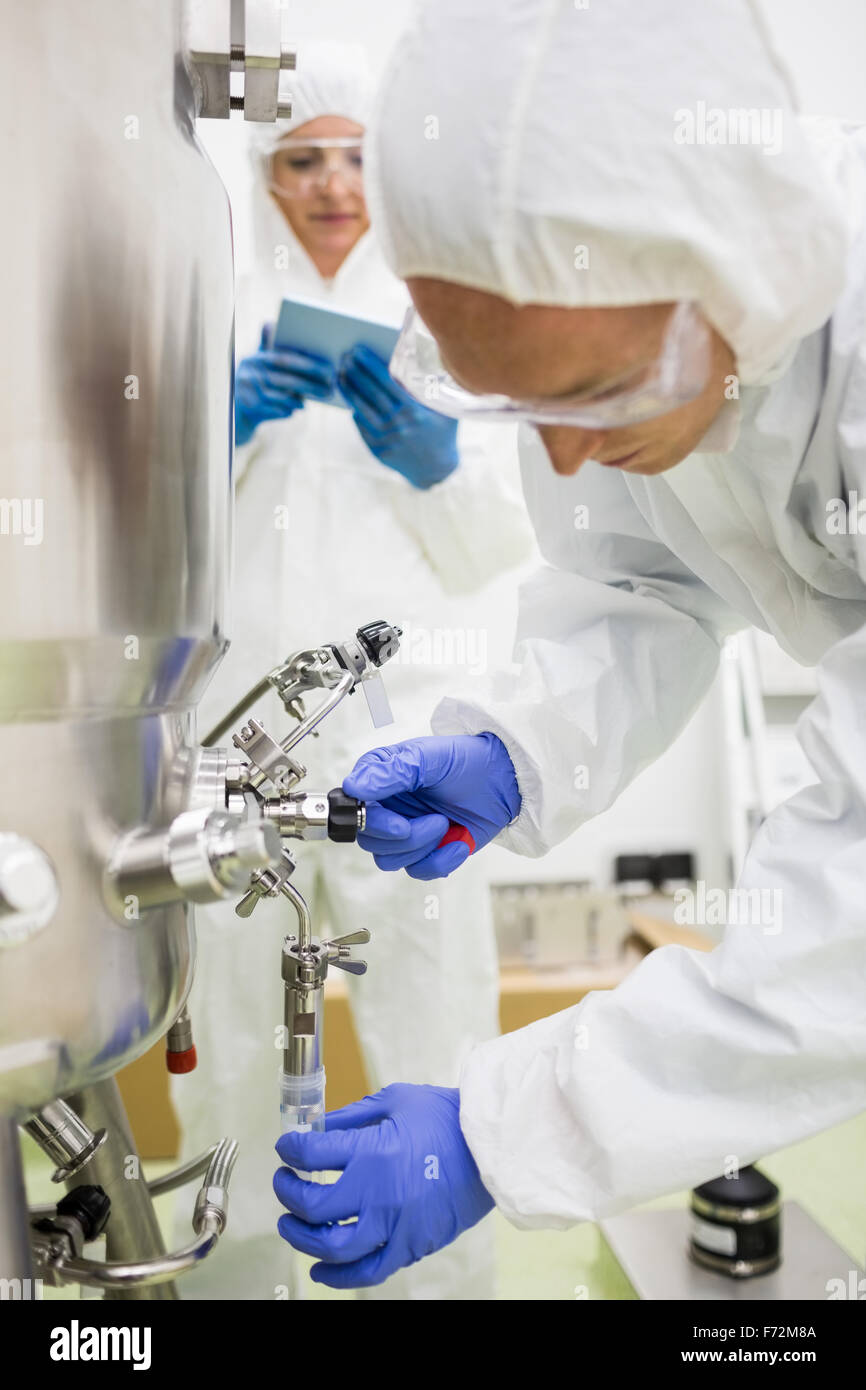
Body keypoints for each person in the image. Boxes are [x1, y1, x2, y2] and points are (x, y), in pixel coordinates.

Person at [273, 0, 866, 1290]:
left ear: (743, 265)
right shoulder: (660, 343)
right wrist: (511, 750)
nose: (561, 455)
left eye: (590, 395)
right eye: (517, 402)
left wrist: (509, 1133)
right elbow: (641, 575)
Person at [171, 39, 534, 1301]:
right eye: (300, 157)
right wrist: (214, 431)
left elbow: (510, 540)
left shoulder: (449, 308)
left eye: (353, 155)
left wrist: (438, 455)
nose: (329, 183)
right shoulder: (206, 293)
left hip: (405, 743)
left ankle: (448, 1287)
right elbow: (147, 542)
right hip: (228, 752)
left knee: (434, 1037)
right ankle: (229, 1281)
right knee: (223, 1044)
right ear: (263, 170)